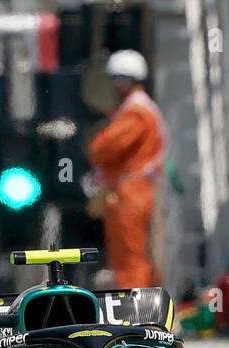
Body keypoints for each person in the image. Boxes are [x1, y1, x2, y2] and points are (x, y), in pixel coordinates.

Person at [88, 50, 168, 289]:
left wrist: (97, 145)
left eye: (116, 79)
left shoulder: (136, 112)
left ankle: (136, 313)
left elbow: (105, 148)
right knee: (137, 254)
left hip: (132, 193)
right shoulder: (138, 108)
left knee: (129, 257)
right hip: (135, 190)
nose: (113, 85)